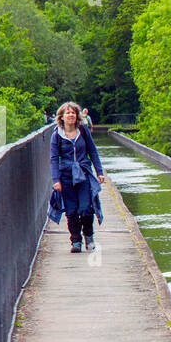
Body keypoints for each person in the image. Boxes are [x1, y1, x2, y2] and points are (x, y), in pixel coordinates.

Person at [49, 101, 104, 253]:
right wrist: (56, 180)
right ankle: (76, 241)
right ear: (62, 117)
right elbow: (54, 159)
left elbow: (92, 151)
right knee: (71, 211)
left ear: (77, 116)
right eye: (68, 113)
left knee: (86, 208)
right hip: (66, 176)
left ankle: (89, 237)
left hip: (83, 174)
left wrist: (99, 172)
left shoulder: (83, 131)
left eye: (73, 112)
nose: (71, 115)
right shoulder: (56, 135)